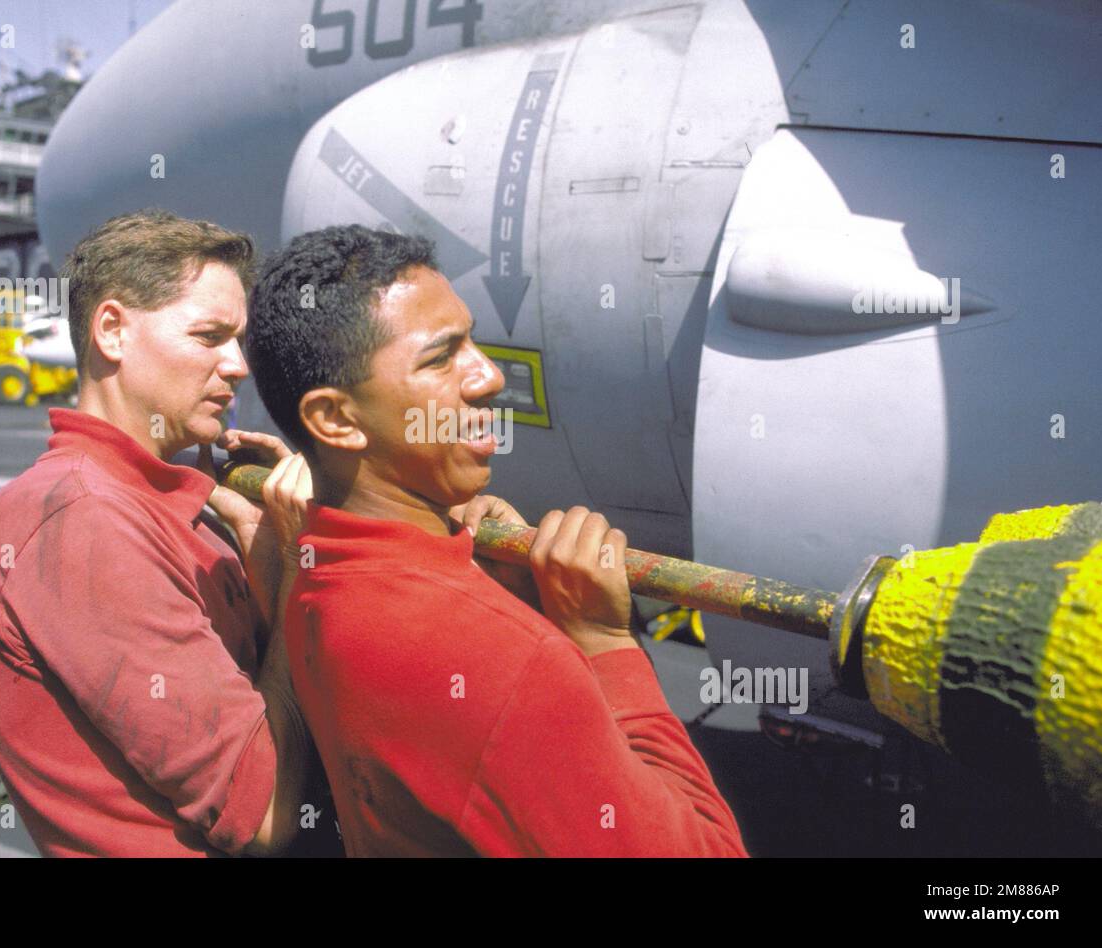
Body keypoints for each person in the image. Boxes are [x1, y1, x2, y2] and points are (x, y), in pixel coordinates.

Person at [244, 224, 748, 857]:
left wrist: (493, 590)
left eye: (472, 342)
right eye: (440, 357)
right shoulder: (499, 657)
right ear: (337, 420)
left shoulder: (322, 572)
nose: (485, 376)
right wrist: (602, 640)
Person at [0, 209, 317, 857]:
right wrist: (295, 571)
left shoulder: (166, 509)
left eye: (239, 340)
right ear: (113, 331)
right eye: (210, 335)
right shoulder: (81, 518)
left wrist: (262, 559)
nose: (237, 365)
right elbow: (264, 813)